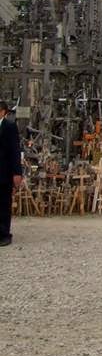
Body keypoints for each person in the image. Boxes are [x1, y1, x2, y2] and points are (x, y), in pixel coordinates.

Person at [0, 101, 23, 247]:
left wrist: (17, 172)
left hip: (3, 170)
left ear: (3, 112)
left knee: (3, 203)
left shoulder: (9, 127)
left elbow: (15, 150)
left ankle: (4, 234)